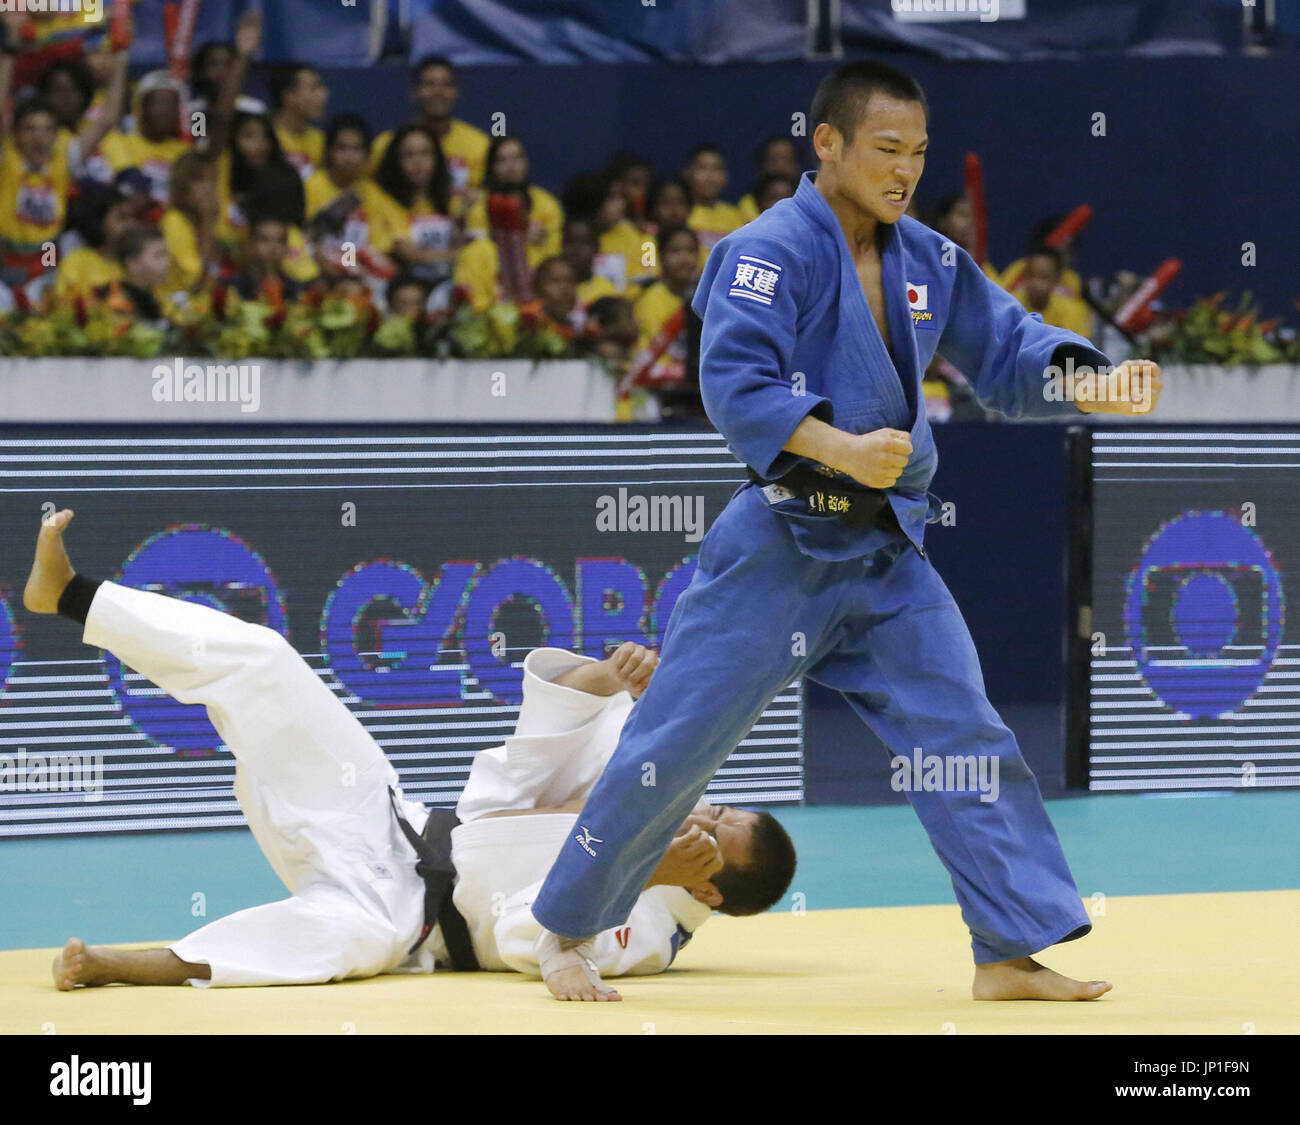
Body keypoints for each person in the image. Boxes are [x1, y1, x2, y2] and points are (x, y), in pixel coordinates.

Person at [530, 60, 1163, 1002]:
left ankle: (1009, 951)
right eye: (886, 148)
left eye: (918, 152)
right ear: (826, 144)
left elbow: (1010, 348)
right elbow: (734, 385)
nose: (905, 170)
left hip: (885, 553)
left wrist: (1096, 381)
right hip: (778, 546)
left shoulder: (930, 259)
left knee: (964, 733)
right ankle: (567, 928)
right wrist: (835, 446)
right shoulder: (764, 249)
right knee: (675, 741)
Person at [22, 511, 795, 990]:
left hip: (404, 918)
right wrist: (603, 675)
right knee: (264, 661)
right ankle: (70, 595)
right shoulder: (644, 791)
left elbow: (531, 935)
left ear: (714, 892)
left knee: (330, 945)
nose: (699, 814)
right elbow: (541, 745)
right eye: (718, 805)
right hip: (391, 818)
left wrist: (647, 870)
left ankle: (117, 964)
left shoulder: (652, 936)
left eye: (713, 836)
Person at [370, 55, 490, 216]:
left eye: (446, 85)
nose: (438, 92)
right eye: (429, 84)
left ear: (456, 93)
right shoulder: (385, 145)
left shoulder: (481, 145)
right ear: (414, 92)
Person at [373, 123, 459, 285]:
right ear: (396, 161)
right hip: (402, 285)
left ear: (437, 158)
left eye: (425, 154)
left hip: (448, 283)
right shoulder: (384, 202)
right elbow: (409, 253)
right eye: (408, 155)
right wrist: (458, 255)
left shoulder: (451, 201)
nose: (417, 162)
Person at [463, 135, 563, 270]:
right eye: (502, 160)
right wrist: (524, 239)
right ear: (492, 168)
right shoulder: (479, 207)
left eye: (517, 158)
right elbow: (478, 255)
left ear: (526, 162)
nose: (511, 167)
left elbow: (554, 256)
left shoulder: (548, 205)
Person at [1015, 245, 1093, 339]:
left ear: (1056, 280)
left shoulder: (1075, 311)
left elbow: (1077, 351)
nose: (1037, 284)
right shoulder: (1011, 308)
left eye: (1044, 277)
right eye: (1032, 276)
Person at [682, 143, 744, 259]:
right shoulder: (681, 213)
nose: (709, 176)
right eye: (702, 168)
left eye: (716, 169)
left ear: (725, 176)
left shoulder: (736, 215)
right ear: (688, 173)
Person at [269, 62, 329, 180]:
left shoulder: (321, 140)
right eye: (314, 88)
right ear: (289, 97)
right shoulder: (267, 139)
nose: (324, 94)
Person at [738, 136, 804, 222]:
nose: (780, 167)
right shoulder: (747, 205)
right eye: (773, 160)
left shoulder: (810, 204)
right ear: (762, 166)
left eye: (787, 160)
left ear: (797, 167)